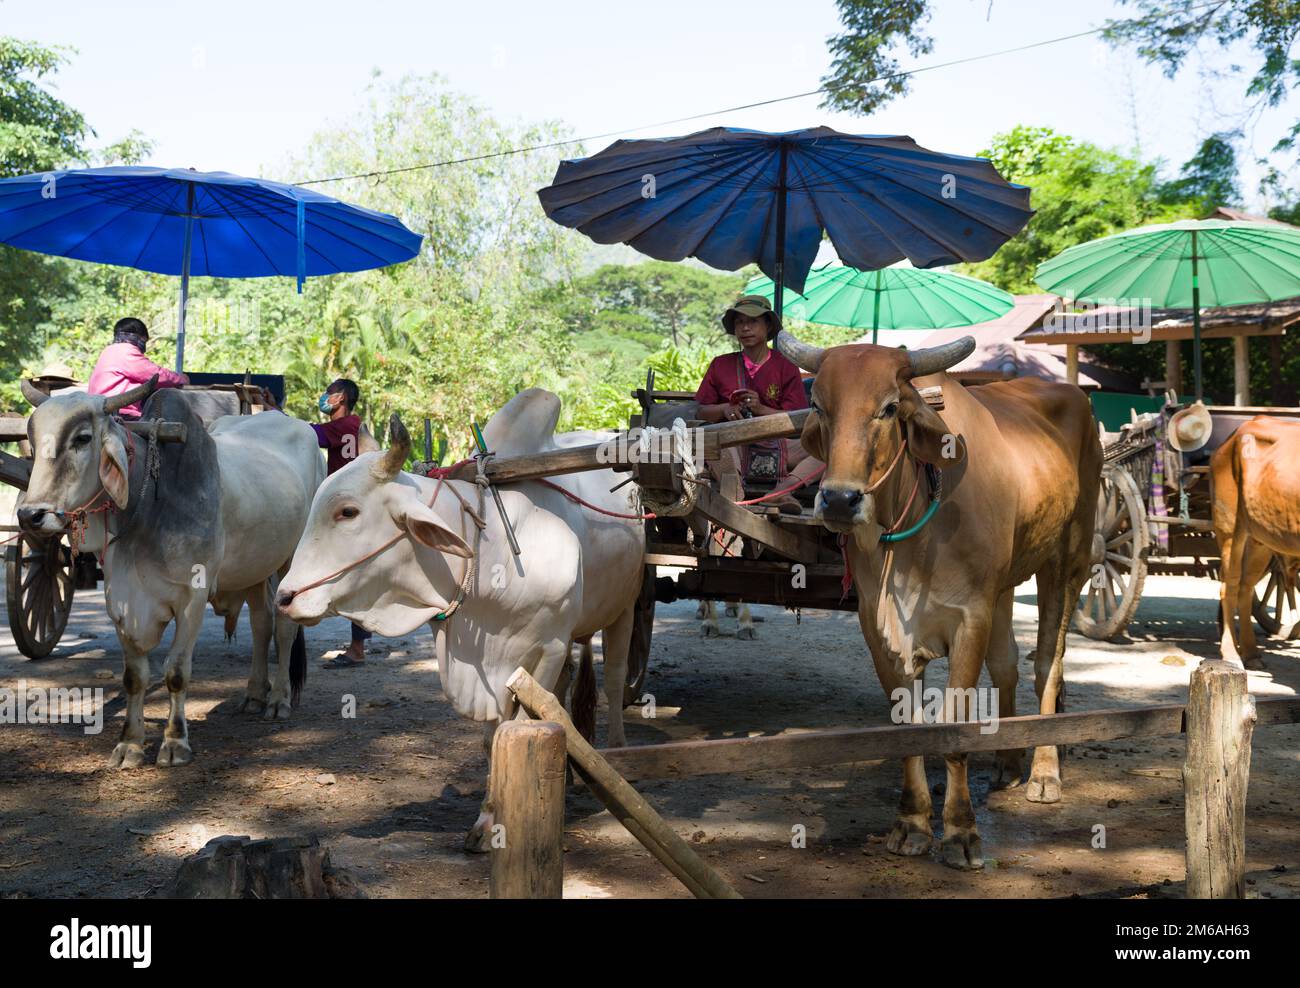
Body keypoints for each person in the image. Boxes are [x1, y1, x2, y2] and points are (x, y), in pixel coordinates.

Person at [262, 378, 375, 668]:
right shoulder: (354, 426)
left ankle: (357, 648)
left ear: (341, 398)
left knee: (352, 576)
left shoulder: (344, 426)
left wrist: (275, 413)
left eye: (329, 393)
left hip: (345, 507)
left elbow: (306, 435)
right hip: (344, 505)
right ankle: (357, 644)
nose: (324, 398)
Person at [695, 295, 822, 511]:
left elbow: (798, 420)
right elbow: (701, 412)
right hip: (733, 446)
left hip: (781, 448)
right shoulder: (720, 364)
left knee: (826, 449)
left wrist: (759, 408)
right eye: (739, 322)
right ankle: (735, 493)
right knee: (712, 443)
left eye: (752, 321)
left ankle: (782, 491)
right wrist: (725, 408)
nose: (745, 328)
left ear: (768, 325)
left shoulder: (786, 366)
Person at [86, 318, 189, 417]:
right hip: (117, 412)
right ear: (137, 336)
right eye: (144, 341)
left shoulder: (109, 350)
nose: (144, 345)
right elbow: (156, 375)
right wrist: (181, 379)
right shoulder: (126, 351)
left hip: (99, 408)